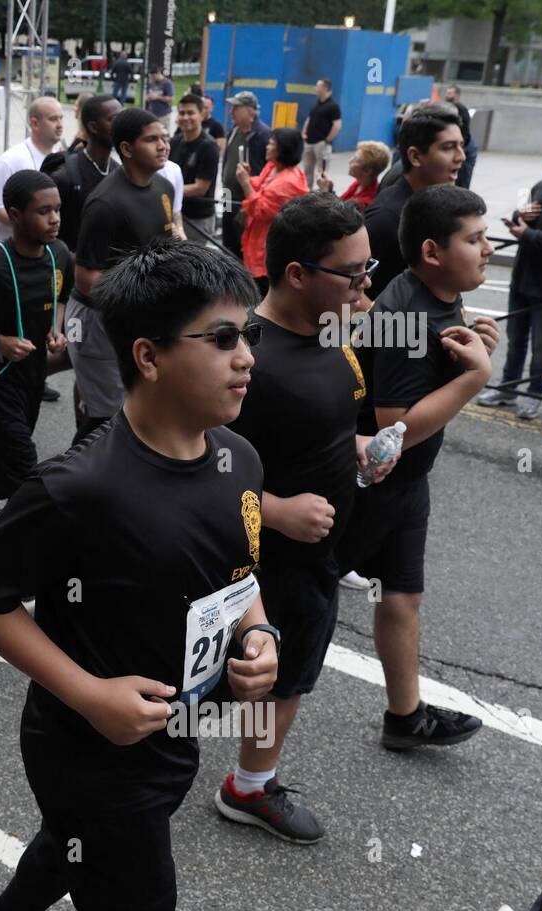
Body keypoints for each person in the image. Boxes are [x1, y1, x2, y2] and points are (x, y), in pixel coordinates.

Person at [0, 239, 275, 911]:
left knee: (72, 847)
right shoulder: (78, 486)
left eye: (248, 334)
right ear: (148, 356)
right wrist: (91, 693)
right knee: (138, 900)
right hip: (88, 749)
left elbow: (239, 578)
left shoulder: (240, 459)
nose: (246, 356)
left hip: (175, 729)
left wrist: (258, 632)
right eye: (221, 339)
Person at [218, 192, 394, 843]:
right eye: (353, 273)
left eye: (367, 268)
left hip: (317, 559)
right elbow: (185, 466)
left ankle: (249, 778)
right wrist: (276, 511)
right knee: (263, 680)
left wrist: (356, 452)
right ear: (296, 274)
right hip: (260, 564)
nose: (365, 284)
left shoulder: (330, 329)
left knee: (283, 680)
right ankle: (246, 788)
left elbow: (327, 421)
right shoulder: (244, 356)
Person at [336, 184, 500, 752]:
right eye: (474, 240)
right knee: (288, 601)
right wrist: (472, 379)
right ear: (433, 252)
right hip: (366, 483)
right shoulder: (407, 312)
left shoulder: (435, 294)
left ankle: (404, 717)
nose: (488, 251)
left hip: (404, 487)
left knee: (399, 596)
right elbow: (392, 431)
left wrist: (469, 351)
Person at [0, 170, 71, 538]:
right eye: (43, 211)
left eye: (57, 210)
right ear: (15, 215)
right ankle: (9, 557)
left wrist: (56, 329)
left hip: (34, 378)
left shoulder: (60, 254)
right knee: (24, 468)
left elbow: (61, 298)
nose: (54, 219)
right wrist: (0, 341)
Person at [66, 108, 175, 439]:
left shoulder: (164, 187)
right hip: (100, 320)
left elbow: (166, 244)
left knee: (132, 410)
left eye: (164, 138)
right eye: (152, 139)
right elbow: (86, 277)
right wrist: (137, 297)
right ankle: (70, 484)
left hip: (140, 316)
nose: (163, 146)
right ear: (126, 149)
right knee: (107, 421)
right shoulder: (105, 204)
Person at [483, 132, 542, 421]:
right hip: (522, 276)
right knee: (515, 338)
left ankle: (535, 394)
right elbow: (524, 218)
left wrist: (528, 234)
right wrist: (518, 215)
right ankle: (508, 389)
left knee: (541, 343)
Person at [363, 104, 464, 300]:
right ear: (415, 156)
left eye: (461, 145)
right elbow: (354, 293)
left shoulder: (432, 205)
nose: (461, 156)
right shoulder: (386, 218)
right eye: (448, 147)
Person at [0, 96, 64, 248]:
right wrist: (27, 227)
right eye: (53, 119)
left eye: (61, 118)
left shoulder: (60, 156)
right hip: (4, 251)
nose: (59, 125)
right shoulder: (12, 158)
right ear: (34, 123)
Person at [236, 127, 308, 294]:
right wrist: (248, 178)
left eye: (271, 144)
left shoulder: (289, 182)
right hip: (256, 237)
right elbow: (261, 186)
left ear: (283, 149)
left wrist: (245, 184)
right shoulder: (272, 166)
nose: (267, 146)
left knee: (262, 287)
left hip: (267, 244)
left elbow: (260, 209)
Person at [47, 94, 120, 253]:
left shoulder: (118, 171)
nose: (120, 125)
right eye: (114, 119)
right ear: (94, 127)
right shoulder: (65, 177)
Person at [220, 91, 271, 260]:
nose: (231, 112)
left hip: (245, 199)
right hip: (227, 194)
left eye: (236, 108)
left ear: (250, 111)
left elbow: (268, 170)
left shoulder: (262, 135)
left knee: (242, 240)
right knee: (227, 238)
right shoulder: (234, 130)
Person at [171, 92, 220, 242]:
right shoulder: (174, 142)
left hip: (198, 219)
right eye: (182, 113)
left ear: (202, 115)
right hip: (176, 214)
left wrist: (166, 191)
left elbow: (200, 188)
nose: (185, 117)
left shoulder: (209, 146)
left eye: (190, 113)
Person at [317, 140, 389, 210]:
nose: (349, 161)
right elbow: (341, 203)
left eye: (355, 160)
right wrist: (330, 190)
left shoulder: (364, 202)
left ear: (367, 171)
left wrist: (325, 192)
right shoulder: (359, 183)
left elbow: (338, 214)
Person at [301, 78, 342, 190]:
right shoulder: (316, 105)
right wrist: (304, 132)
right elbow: (309, 119)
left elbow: (337, 125)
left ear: (325, 88)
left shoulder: (333, 106)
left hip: (321, 144)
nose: (316, 88)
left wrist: (327, 140)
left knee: (322, 173)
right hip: (309, 143)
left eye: (318, 86)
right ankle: (306, 194)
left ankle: (323, 196)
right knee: (307, 171)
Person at [443, 85, 477, 191]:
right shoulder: (446, 107)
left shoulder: (460, 109)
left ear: (457, 95)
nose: (447, 95)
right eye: (447, 93)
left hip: (467, 147)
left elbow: (464, 132)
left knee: (462, 180)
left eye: (450, 93)